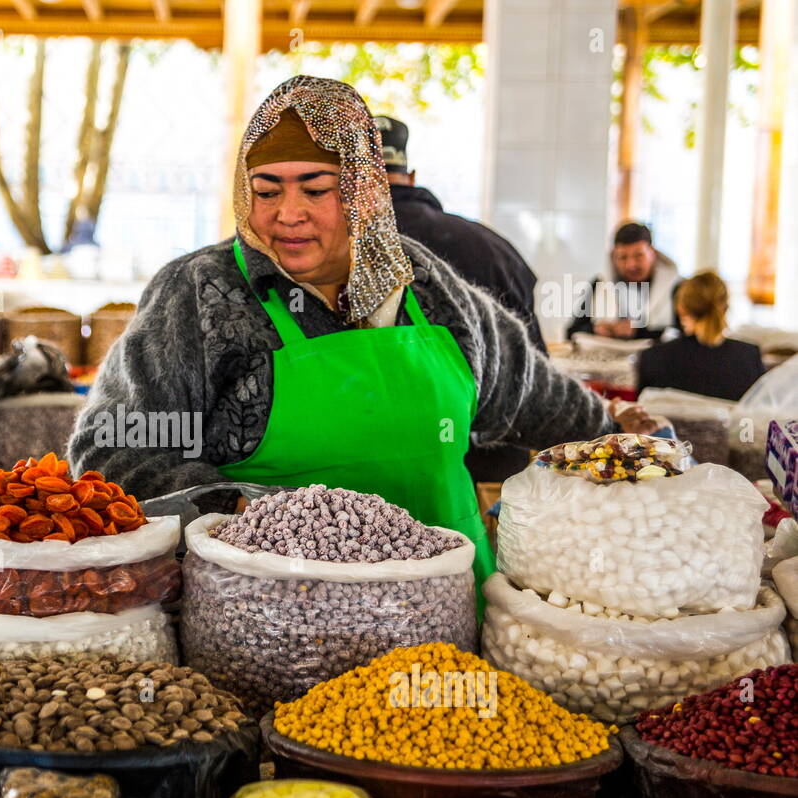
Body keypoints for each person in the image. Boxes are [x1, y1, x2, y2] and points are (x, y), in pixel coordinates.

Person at [70, 77, 652, 584]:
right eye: (267, 190)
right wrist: (259, 519)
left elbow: (530, 393)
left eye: (316, 189)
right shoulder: (199, 294)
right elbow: (114, 446)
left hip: (445, 627)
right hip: (267, 623)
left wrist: (614, 432)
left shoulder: (426, 286)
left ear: (365, 189)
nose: (287, 214)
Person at [377, 114, 544, 483]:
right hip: (488, 471)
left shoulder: (327, 255)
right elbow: (534, 371)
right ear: (413, 176)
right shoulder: (493, 247)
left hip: (372, 476)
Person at [636, 271, 765, 401]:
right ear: (725, 308)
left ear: (681, 309)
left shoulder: (653, 358)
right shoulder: (749, 358)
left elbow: (639, 416)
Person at [568, 222, 681, 340]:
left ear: (652, 253)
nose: (631, 265)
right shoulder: (599, 284)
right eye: (623, 257)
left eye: (638, 256)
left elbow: (684, 336)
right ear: (614, 257)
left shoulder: (677, 287)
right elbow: (572, 331)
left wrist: (637, 332)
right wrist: (595, 329)